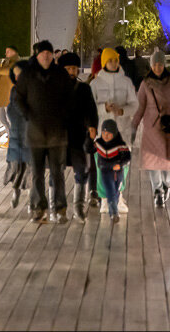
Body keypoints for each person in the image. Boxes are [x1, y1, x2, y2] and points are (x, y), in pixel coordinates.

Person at [12, 40, 74, 223]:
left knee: (58, 172)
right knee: (37, 173)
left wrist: (63, 116)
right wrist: (28, 115)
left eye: (49, 53)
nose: (46, 56)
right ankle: (39, 207)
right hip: (36, 132)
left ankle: (60, 207)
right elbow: (18, 98)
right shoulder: (28, 75)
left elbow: (70, 98)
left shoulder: (60, 74)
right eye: (43, 53)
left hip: (57, 133)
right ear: (36, 55)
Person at [131, 50, 170, 207]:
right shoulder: (146, 84)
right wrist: (133, 126)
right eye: (155, 64)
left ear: (164, 64)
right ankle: (157, 190)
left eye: (160, 64)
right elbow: (139, 108)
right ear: (151, 65)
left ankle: (166, 184)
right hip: (152, 127)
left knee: (169, 160)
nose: (157, 67)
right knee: (153, 160)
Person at [89, 48, 138, 213]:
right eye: (110, 60)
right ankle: (104, 199)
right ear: (104, 62)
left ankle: (119, 197)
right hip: (103, 133)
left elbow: (135, 105)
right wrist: (105, 109)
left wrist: (122, 111)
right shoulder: (95, 84)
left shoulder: (125, 82)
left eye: (116, 60)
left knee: (122, 165)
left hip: (122, 132)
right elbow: (88, 108)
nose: (114, 63)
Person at [60, 52, 98, 220]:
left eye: (74, 68)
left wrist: (92, 126)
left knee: (81, 171)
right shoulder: (54, 89)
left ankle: (78, 207)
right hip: (58, 137)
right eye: (67, 68)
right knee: (56, 172)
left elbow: (91, 110)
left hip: (78, 137)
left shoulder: (84, 88)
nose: (71, 71)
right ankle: (58, 207)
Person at [92, 119, 132, 223]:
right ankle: (106, 200)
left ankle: (116, 199)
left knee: (120, 173)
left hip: (121, 131)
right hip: (103, 129)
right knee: (102, 171)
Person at [4, 63, 32, 208]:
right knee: (16, 166)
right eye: (15, 74)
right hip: (16, 134)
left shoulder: (32, 91)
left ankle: (30, 197)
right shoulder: (14, 91)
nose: (18, 77)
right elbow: (11, 111)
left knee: (29, 166)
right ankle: (16, 191)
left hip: (28, 134)